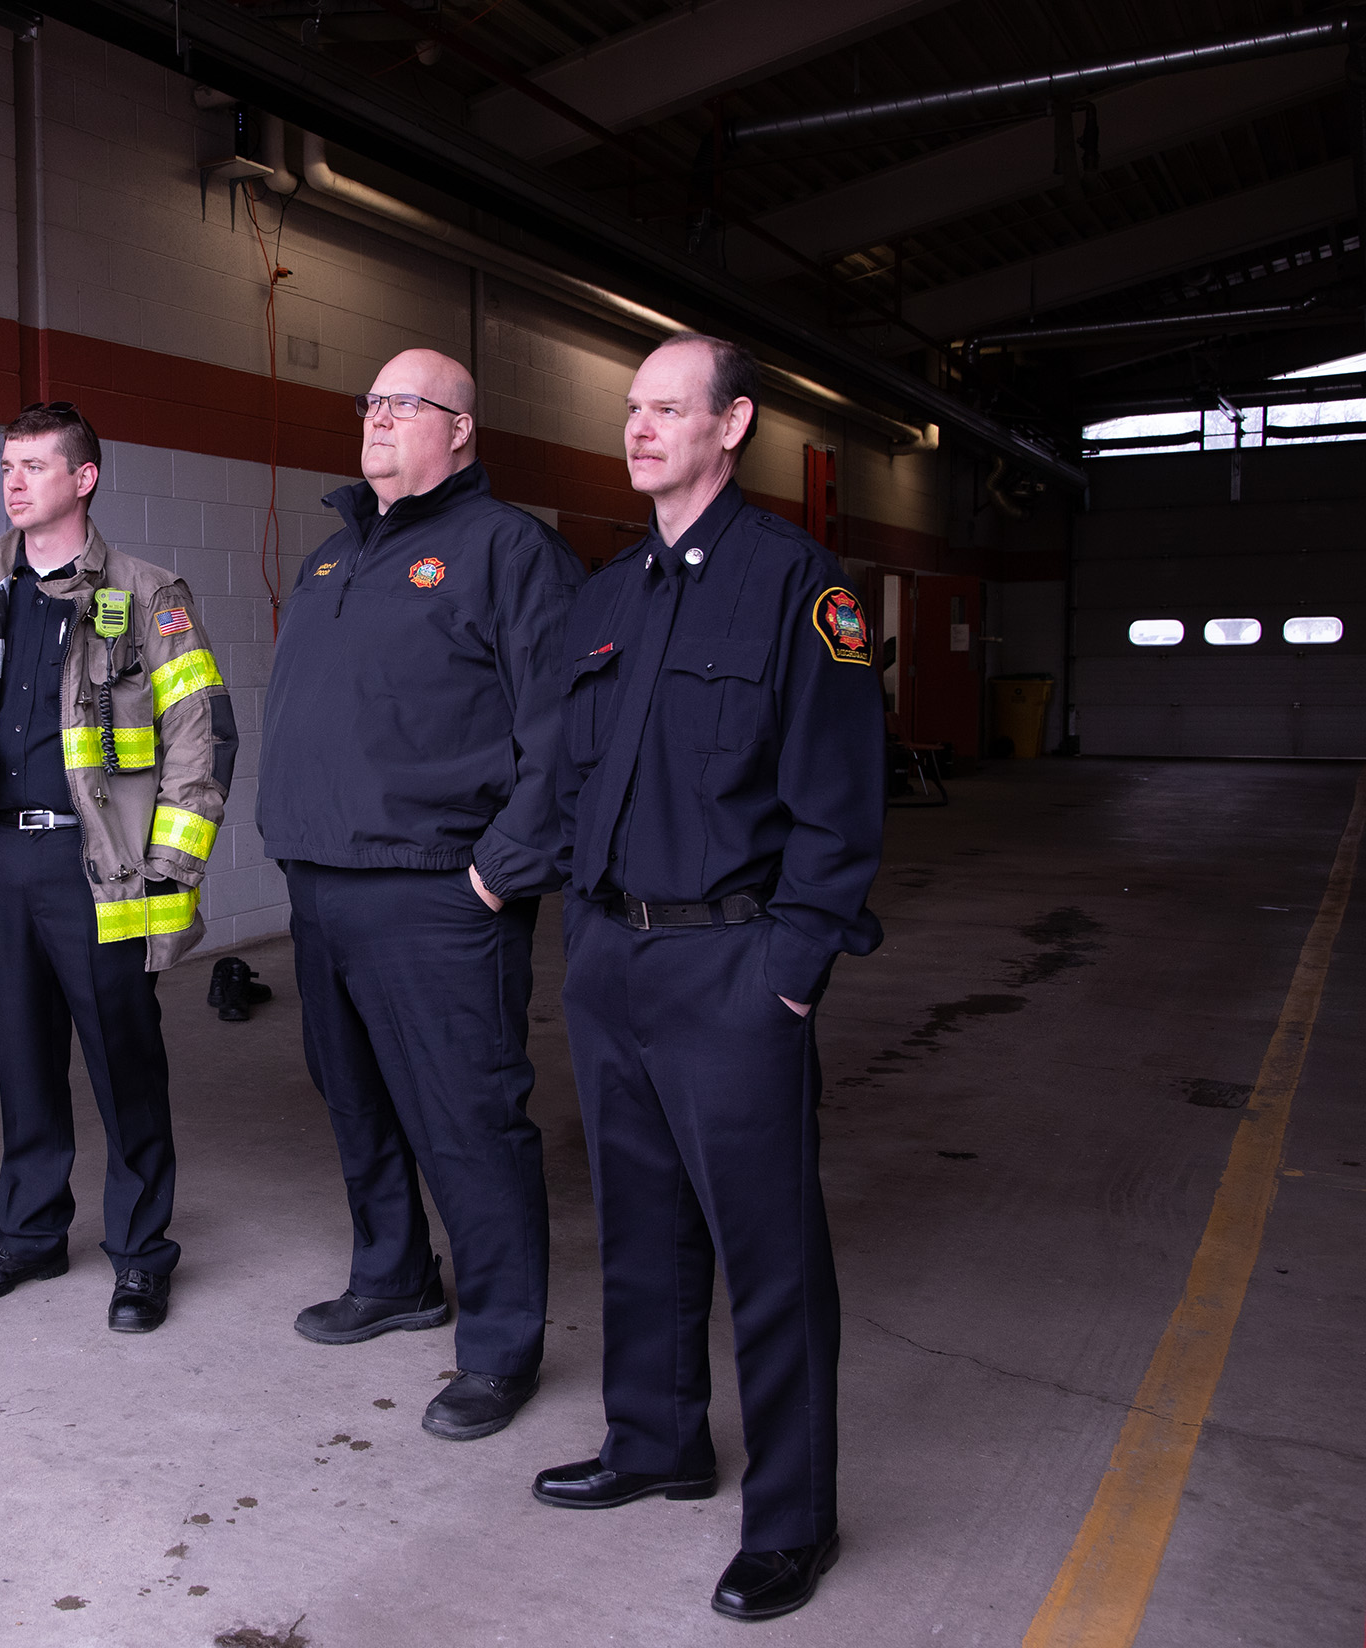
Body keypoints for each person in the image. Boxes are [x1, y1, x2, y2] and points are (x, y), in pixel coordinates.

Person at [535, 335, 884, 1623]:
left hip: (732, 967)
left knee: (769, 1252)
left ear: (730, 425)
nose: (638, 428)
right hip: (611, 957)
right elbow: (570, 774)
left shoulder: (798, 587)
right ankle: (655, 1438)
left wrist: (788, 973)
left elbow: (840, 806)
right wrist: (579, 925)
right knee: (638, 1224)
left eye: (667, 409)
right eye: (631, 409)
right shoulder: (607, 594)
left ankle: (792, 1518)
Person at [258, 348, 580, 1440]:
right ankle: (394, 1275)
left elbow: (562, 733)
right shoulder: (331, 556)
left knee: (467, 1121)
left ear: (460, 429)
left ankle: (499, 1346)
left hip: (439, 894)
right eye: (373, 401)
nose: (381, 417)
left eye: (407, 403)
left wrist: (499, 869)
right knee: (353, 1096)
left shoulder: (508, 552)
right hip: (324, 885)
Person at [0, 402, 236, 1334]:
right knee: (23, 1059)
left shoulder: (149, 593)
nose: (13, 482)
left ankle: (141, 1255)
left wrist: (169, 869)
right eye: (7, 466)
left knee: (125, 1061)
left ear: (83, 479)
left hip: (97, 869)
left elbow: (199, 736)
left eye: (35, 466)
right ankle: (32, 1234)